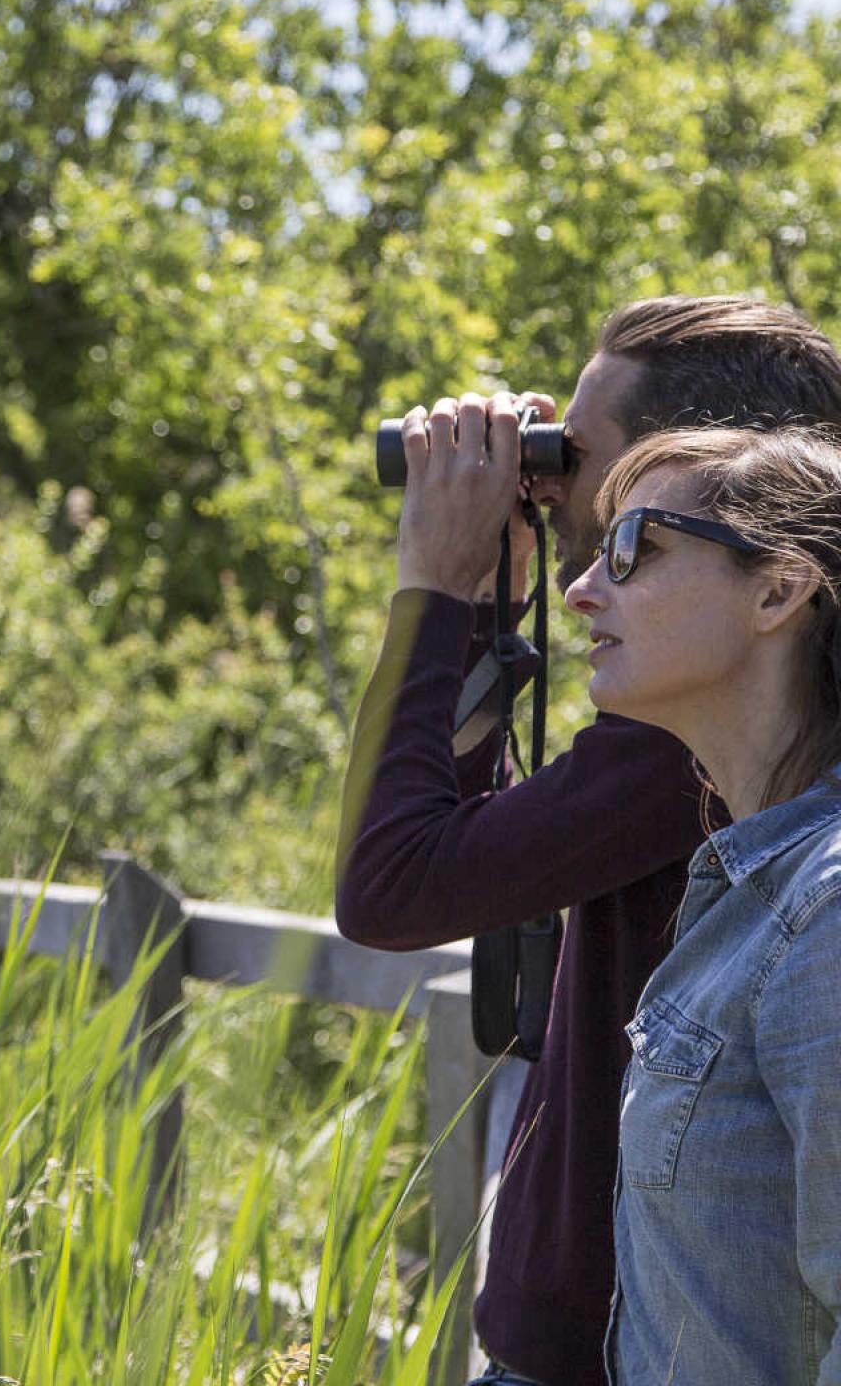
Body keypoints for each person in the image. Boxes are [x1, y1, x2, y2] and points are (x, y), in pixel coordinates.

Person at [335, 295, 841, 1386]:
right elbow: (475, 848)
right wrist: (486, 599)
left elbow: (395, 885)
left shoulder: (710, 739)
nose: (551, 481)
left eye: (584, 460)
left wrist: (432, 583)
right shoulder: (695, 721)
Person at [565, 426, 841, 1381]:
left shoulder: (828, 914)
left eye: (636, 549)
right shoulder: (757, 887)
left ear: (779, 589)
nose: (584, 588)